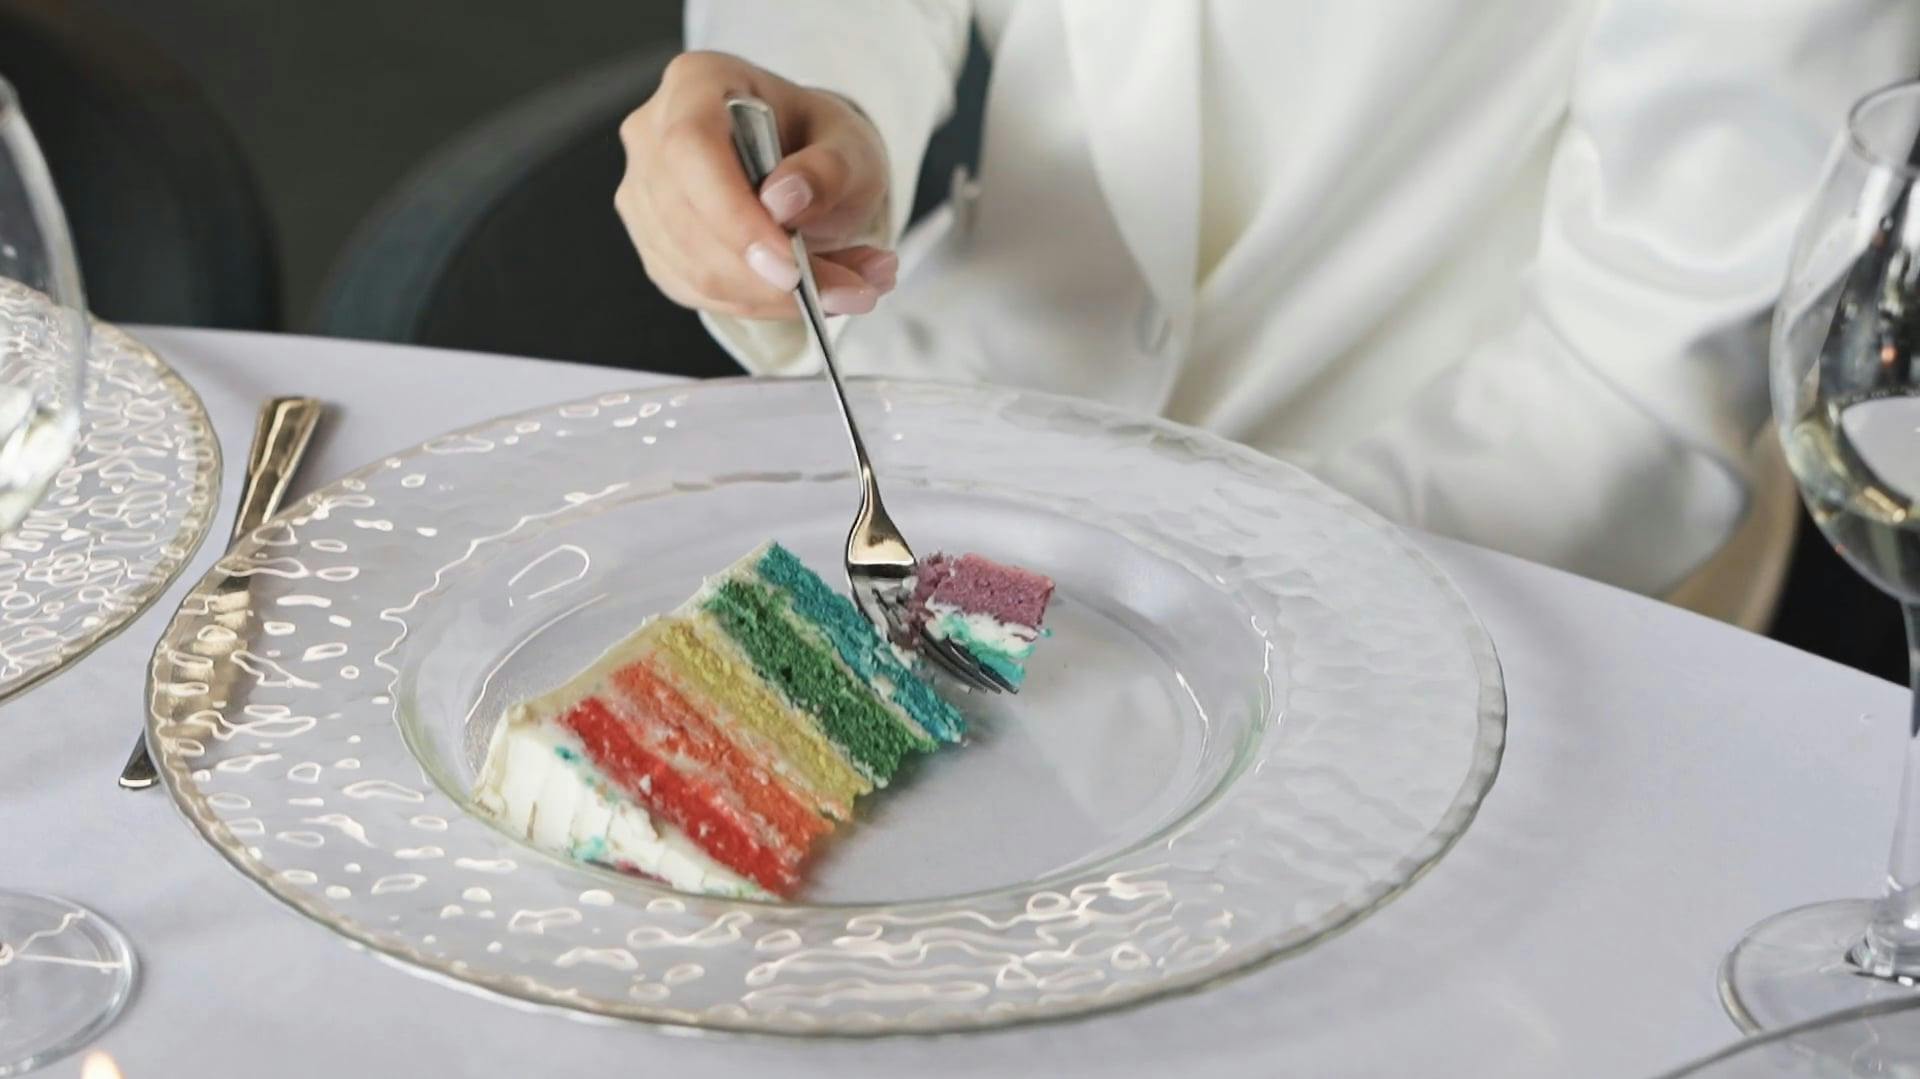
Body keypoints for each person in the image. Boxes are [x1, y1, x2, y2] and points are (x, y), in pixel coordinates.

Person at [615, 1, 1920, 626]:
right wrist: (802, 107)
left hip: (1460, 569)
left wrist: (1152, 587)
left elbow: (1634, 380)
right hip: (941, 445)